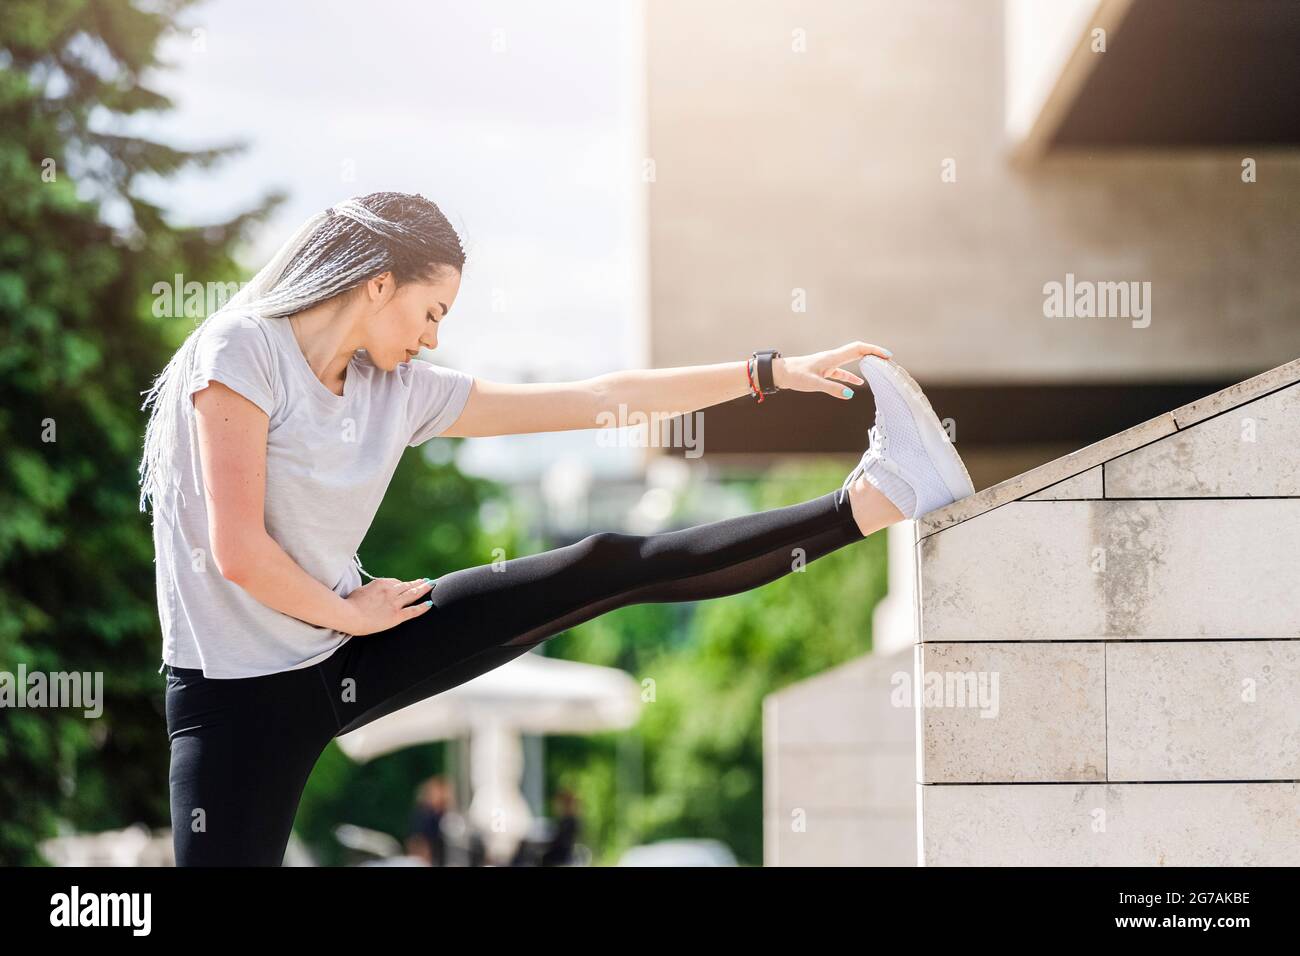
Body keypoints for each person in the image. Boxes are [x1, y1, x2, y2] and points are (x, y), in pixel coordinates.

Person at [140, 191, 974, 866]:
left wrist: (771, 371)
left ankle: (877, 498)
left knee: (603, 564)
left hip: (351, 644)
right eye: (431, 312)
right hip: (235, 703)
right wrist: (353, 611)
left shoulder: (399, 391)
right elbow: (239, 552)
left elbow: (597, 398)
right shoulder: (242, 351)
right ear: (378, 282)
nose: (435, 338)